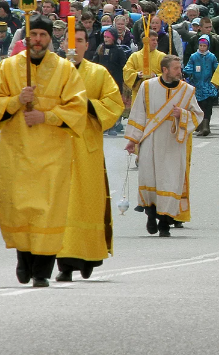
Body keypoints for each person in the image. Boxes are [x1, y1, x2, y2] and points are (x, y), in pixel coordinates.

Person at [0, 16, 88, 287]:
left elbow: (78, 107)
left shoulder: (65, 69)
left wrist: (46, 117)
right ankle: (23, 259)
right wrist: (18, 100)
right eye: (34, 35)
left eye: (43, 34)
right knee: (20, 209)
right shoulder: (8, 67)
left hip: (53, 153)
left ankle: (42, 271)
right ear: (26, 39)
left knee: (49, 210)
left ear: (50, 37)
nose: (38, 40)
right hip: (17, 151)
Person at [57, 25, 124, 279]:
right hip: (58, 146)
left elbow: (114, 103)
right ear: (63, 45)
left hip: (87, 148)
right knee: (62, 204)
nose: (74, 47)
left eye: (81, 41)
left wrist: (87, 104)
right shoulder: (53, 72)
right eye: (70, 42)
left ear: (87, 45)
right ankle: (64, 262)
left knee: (86, 204)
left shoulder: (99, 73)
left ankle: (88, 255)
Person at [124, 54, 202, 236]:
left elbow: (198, 115)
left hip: (173, 142)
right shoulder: (147, 87)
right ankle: (151, 215)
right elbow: (138, 114)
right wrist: (133, 140)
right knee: (149, 178)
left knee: (171, 180)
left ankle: (165, 224)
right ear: (165, 70)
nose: (179, 71)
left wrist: (181, 114)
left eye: (179, 68)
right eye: (175, 68)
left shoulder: (187, 90)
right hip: (151, 139)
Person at [185, 34, 219, 136]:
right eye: (200, 45)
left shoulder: (211, 57)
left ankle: (206, 126)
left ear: (207, 46)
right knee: (198, 106)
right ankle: (199, 125)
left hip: (208, 85)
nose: (202, 48)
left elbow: (217, 68)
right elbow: (189, 67)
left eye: (204, 46)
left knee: (207, 106)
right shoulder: (194, 57)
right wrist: (185, 73)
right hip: (196, 85)